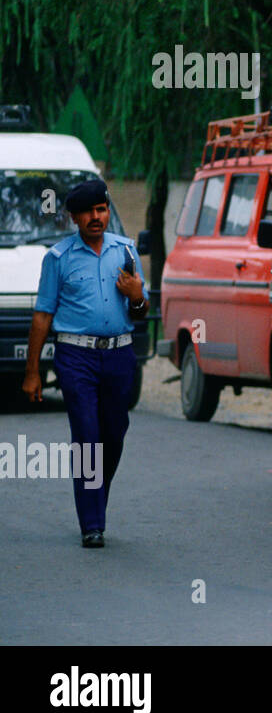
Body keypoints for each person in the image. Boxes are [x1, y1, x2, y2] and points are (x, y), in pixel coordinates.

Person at [21, 179, 148, 548]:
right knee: (87, 436)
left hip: (120, 355)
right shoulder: (58, 258)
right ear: (73, 217)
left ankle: (95, 496)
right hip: (76, 357)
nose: (96, 217)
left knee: (114, 434)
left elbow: (141, 309)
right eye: (88, 212)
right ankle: (92, 522)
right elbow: (42, 316)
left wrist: (137, 297)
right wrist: (32, 374)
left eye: (102, 210)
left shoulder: (125, 252)